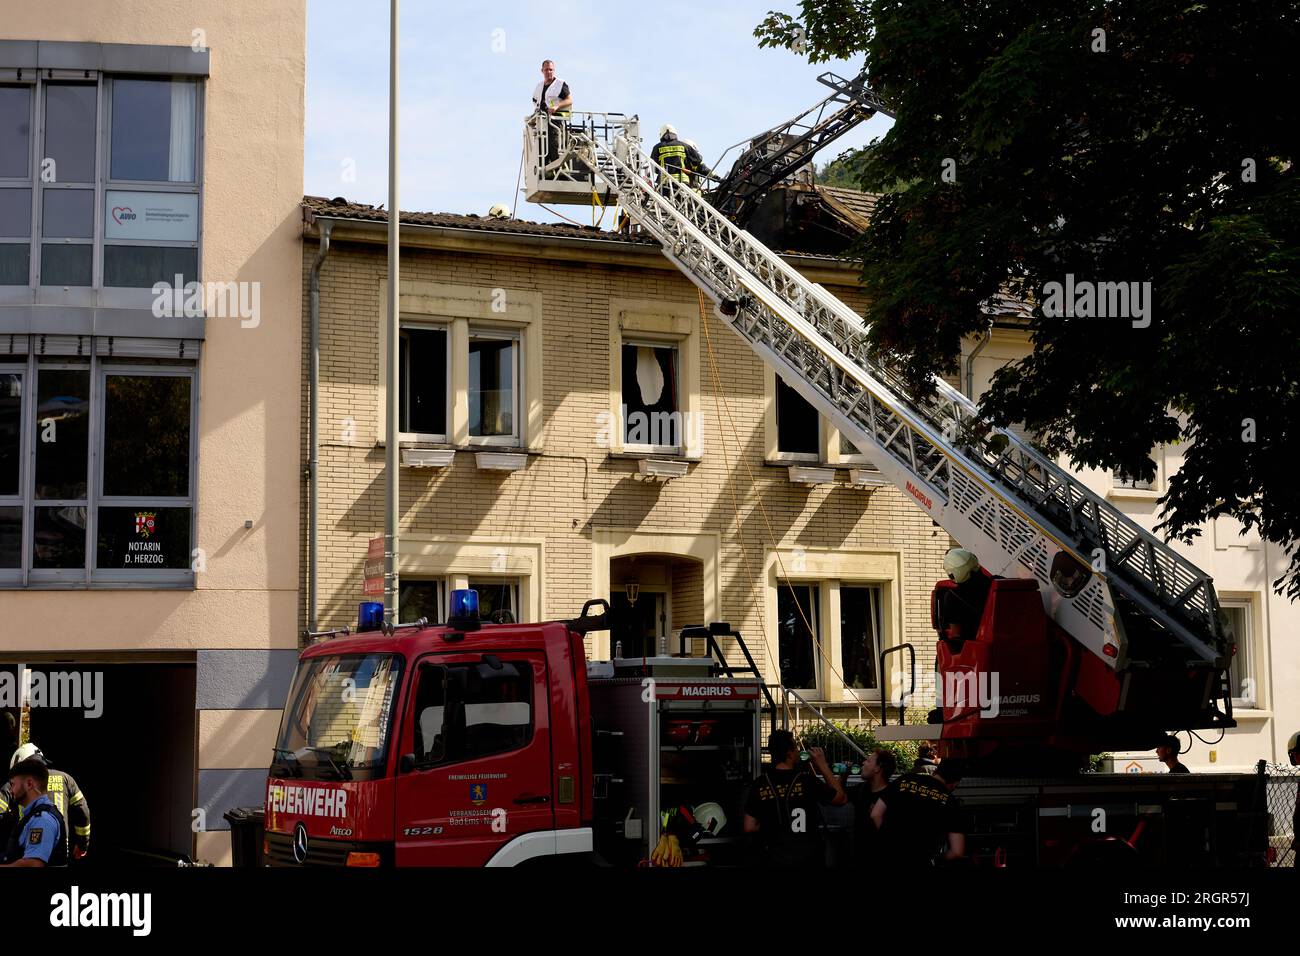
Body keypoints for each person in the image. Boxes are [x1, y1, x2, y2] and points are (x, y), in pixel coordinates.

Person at [743, 730, 846, 867]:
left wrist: (772, 825)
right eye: (796, 748)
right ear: (789, 754)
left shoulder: (759, 784)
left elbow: (749, 827)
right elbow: (840, 799)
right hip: (808, 858)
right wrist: (822, 765)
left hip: (774, 857)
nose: (798, 752)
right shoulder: (807, 781)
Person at [0, 743, 91, 861]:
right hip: (60, 850)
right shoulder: (66, 779)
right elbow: (82, 811)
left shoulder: (19, 782)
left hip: (28, 850)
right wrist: (82, 844)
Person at [871, 759, 967, 866]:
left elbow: (875, 814)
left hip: (885, 858)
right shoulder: (951, 802)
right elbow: (957, 852)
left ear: (936, 771)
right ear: (955, 783)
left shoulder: (905, 779)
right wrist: (936, 860)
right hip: (919, 865)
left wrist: (888, 840)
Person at [0, 758, 67, 867]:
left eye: (13, 784)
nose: (11, 791)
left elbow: (33, 864)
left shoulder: (42, 820)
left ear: (29, 784)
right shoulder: (33, 815)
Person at [850, 747, 896, 866]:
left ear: (878, 768)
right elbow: (839, 796)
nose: (863, 763)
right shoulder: (861, 789)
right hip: (859, 859)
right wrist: (843, 775)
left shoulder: (893, 796)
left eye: (869, 761)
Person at [935, 547, 992, 642]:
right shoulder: (999, 584)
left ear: (952, 573)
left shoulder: (952, 597)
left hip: (973, 651)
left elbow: (956, 634)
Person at [531, 59, 572, 170]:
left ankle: (559, 170)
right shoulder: (539, 87)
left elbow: (569, 100)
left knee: (554, 145)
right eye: (546, 70)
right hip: (541, 123)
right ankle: (546, 170)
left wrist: (557, 106)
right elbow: (536, 105)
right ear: (542, 71)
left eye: (551, 70)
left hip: (555, 121)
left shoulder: (560, 84)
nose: (549, 72)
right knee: (541, 148)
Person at [650, 125, 709, 193]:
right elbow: (698, 159)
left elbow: (654, 167)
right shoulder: (684, 146)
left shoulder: (657, 147)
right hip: (683, 183)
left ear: (662, 134)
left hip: (665, 183)